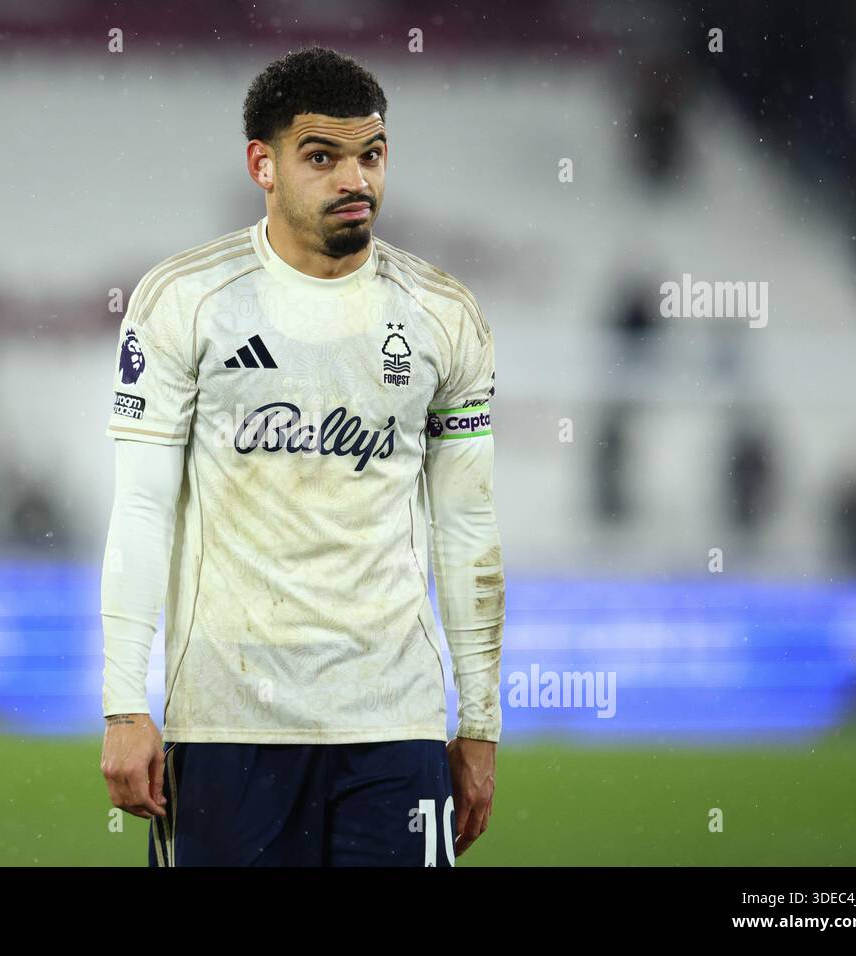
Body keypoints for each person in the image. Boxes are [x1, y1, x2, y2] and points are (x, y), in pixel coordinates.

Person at [99, 46, 503, 866]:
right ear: (264, 164)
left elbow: (466, 525)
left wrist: (480, 725)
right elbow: (142, 510)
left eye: (371, 155)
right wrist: (121, 705)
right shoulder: (185, 300)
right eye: (322, 157)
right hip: (226, 723)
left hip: (395, 724)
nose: (355, 180)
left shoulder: (444, 314)